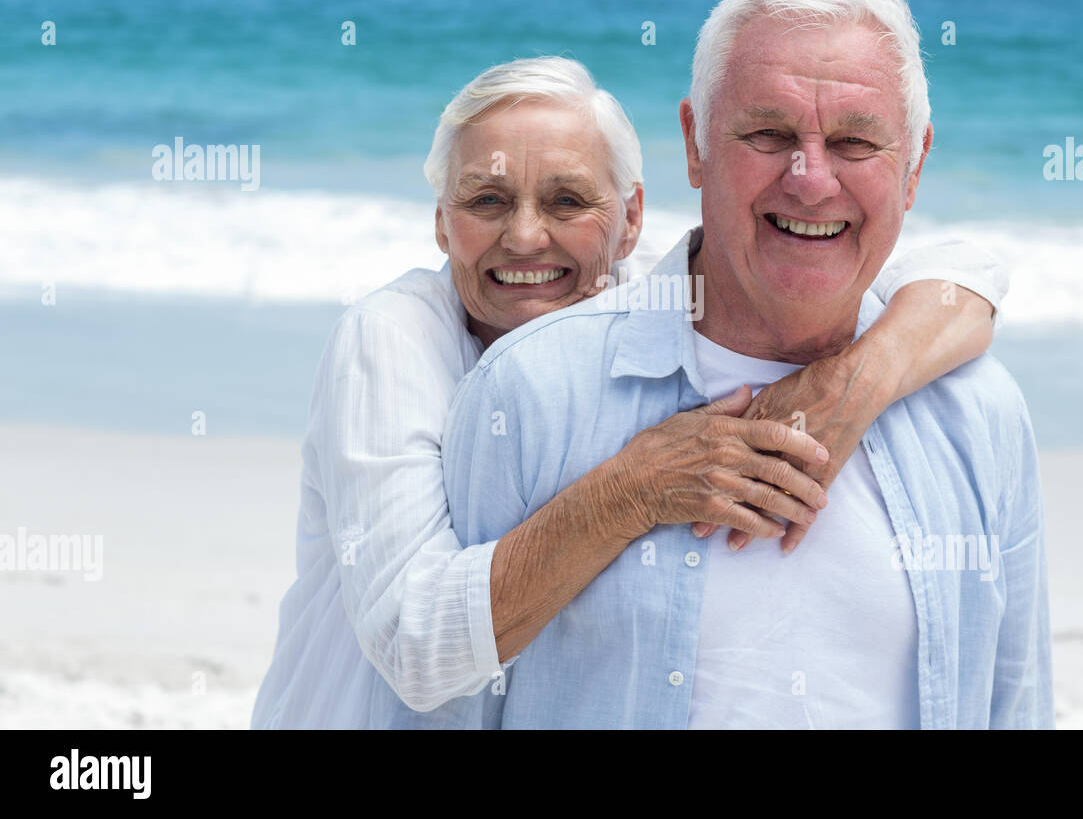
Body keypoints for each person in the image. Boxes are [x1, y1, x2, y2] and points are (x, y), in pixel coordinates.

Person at [253, 53, 1009, 728]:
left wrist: (859, 381)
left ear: (630, 221)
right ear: (443, 226)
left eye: (565, 202)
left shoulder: (639, 319)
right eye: (486, 202)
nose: (524, 237)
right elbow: (418, 647)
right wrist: (637, 487)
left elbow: (968, 270)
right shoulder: (392, 337)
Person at [438, 0, 1052, 729]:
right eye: (768, 133)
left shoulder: (980, 411)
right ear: (695, 145)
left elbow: (1015, 704)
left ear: (915, 164)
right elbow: (442, 693)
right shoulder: (528, 391)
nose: (810, 178)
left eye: (857, 142)